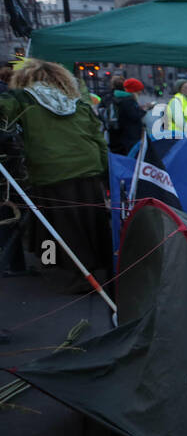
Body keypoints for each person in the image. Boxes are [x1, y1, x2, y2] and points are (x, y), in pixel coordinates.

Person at [0, 59, 112, 291]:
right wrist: (104, 171)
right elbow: (98, 138)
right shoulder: (77, 102)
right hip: (88, 167)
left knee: (63, 226)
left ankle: (76, 275)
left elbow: (3, 111)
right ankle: (101, 268)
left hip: (51, 170)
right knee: (92, 221)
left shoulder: (24, 99)